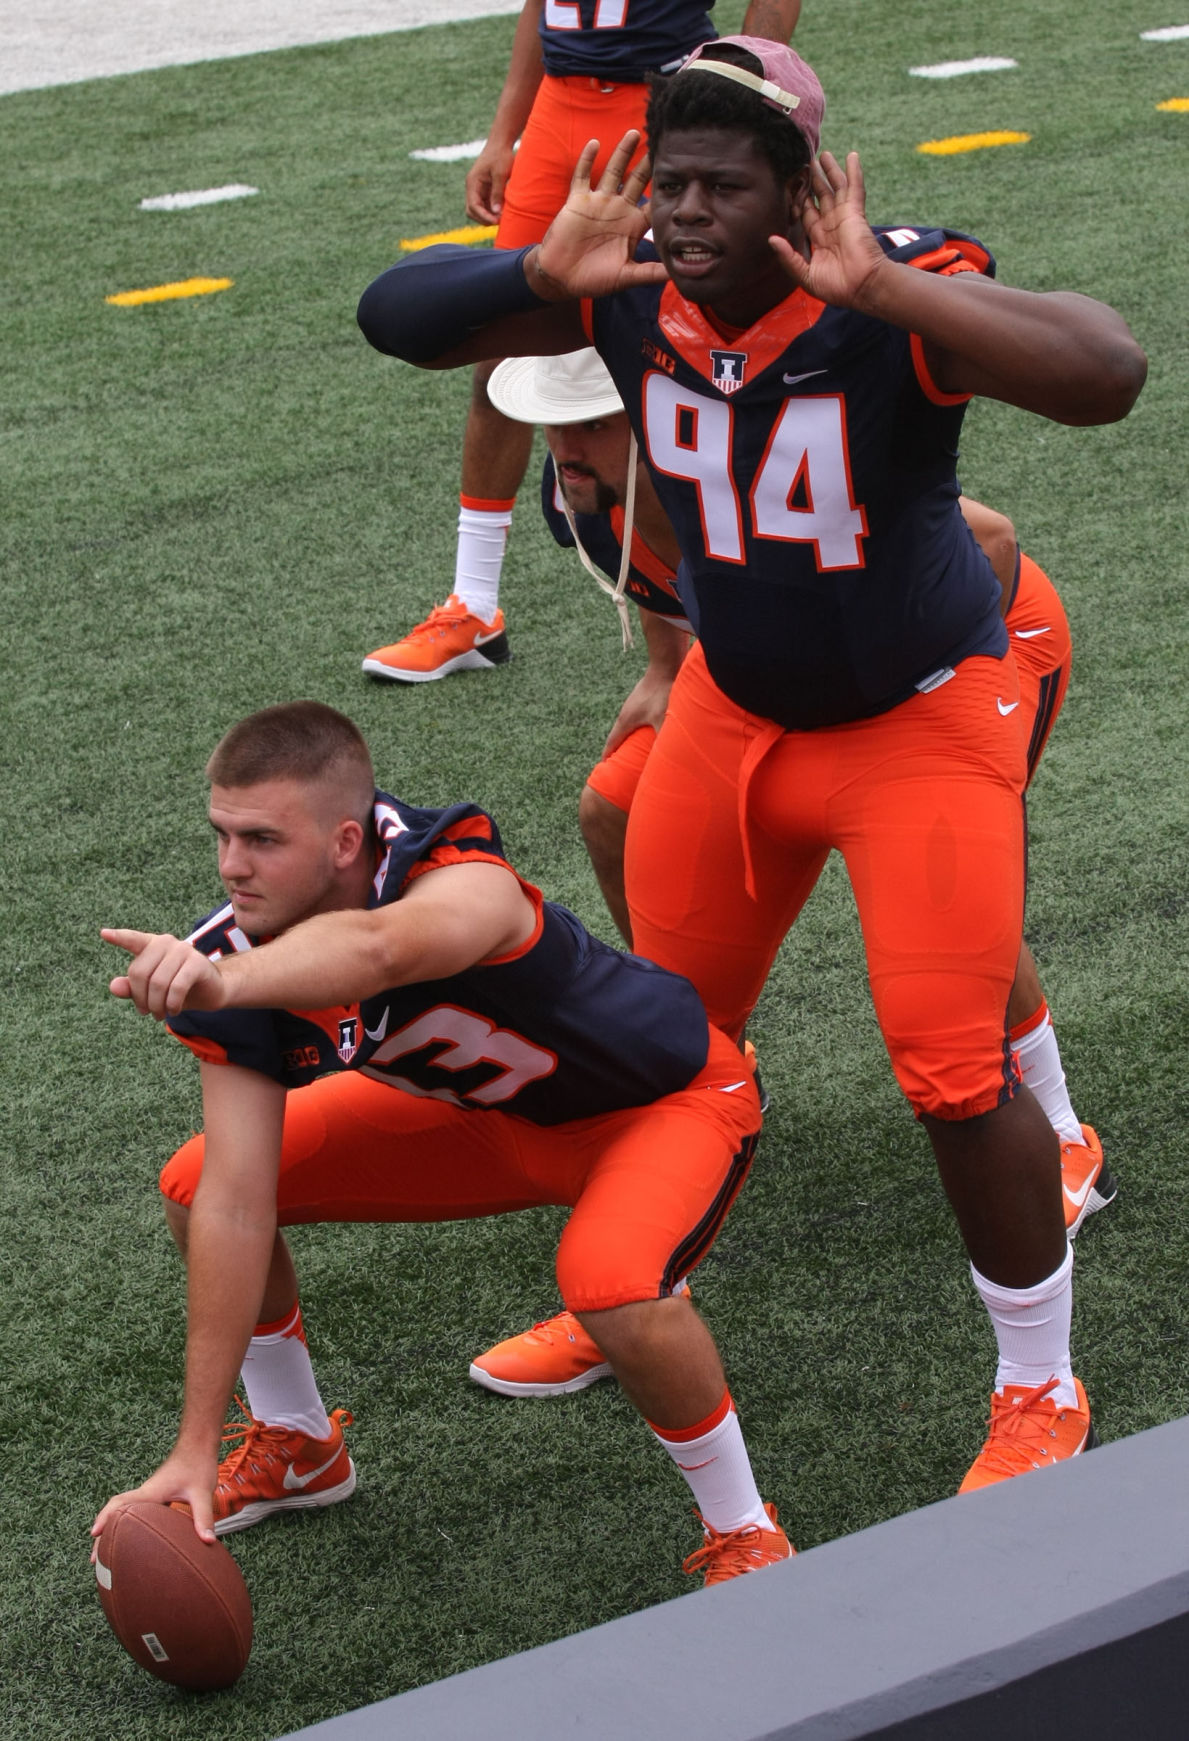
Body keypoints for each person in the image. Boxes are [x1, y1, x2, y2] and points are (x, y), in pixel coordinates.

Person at [354, 36, 1146, 1490]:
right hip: (734, 714)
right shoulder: (634, 300)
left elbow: (1109, 374)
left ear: (804, 194)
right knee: (661, 1043)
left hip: (916, 716)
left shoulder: (885, 298)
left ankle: (1038, 1382)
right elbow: (392, 318)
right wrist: (543, 272)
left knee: (952, 1075)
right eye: (674, 185)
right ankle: (628, 1287)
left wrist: (888, 286)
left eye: (724, 185)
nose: (689, 214)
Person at [468, 349, 1116, 1396]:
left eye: (588, 421)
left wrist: (944, 729)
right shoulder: (585, 485)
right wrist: (663, 664)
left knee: (940, 915)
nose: (561, 444)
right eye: (557, 422)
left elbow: (987, 545)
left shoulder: (758, 462)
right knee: (614, 815)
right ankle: (634, 1270)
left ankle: (1058, 1132)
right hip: (773, 688)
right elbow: (668, 573)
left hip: (960, 661)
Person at [89, 701, 791, 1587]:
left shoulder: (457, 864)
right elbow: (237, 1197)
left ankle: (745, 1530)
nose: (233, 866)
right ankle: (298, 1441)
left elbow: (380, 950)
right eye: (223, 835)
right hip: (491, 1120)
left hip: (661, 1104)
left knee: (609, 1284)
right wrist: (191, 1445)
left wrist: (222, 983)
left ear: (348, 841)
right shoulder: (233, 960)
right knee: (198, 1188)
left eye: (263, 839)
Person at [361, 0, 800, 684]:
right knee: (499, 354)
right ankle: (473, 605)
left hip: (659, 96)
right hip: (557, 103)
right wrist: (505, 130)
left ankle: (683, 637)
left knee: (654, 355)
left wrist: (734, 99)